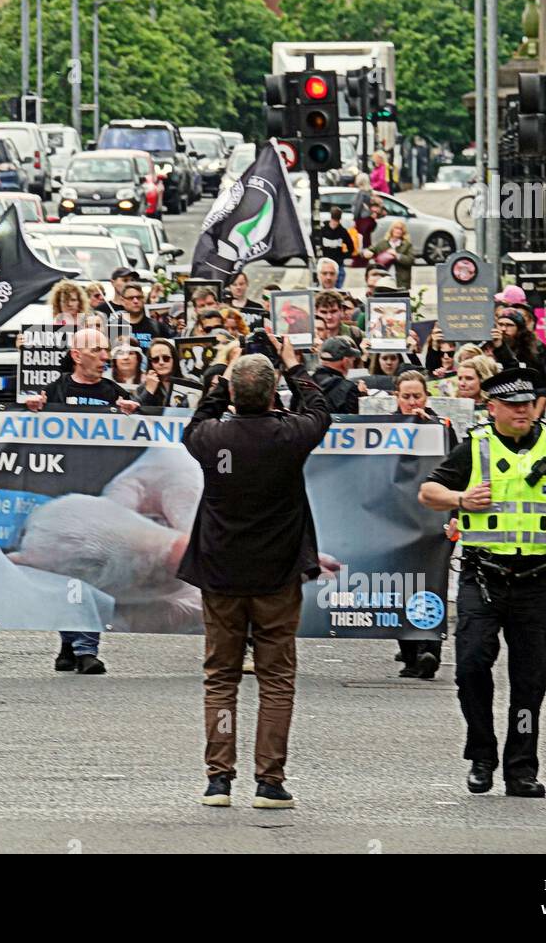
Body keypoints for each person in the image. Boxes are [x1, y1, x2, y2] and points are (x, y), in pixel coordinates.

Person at [419, 365, 546, 797]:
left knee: (530, 679)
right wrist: (460, 498)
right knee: (470, 667)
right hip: (483, 576)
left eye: (528, 403)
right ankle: (482, 753)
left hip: (535, 582)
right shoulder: (476, 447)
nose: (523, 411)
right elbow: (427, 493)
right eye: (513, 404)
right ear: (492, 408)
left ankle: (520, 767)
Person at [179, 338, 332, 808]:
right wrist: (292, 365)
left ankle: (218, 779)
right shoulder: (290, 435)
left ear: (231, 394)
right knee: (276, 678)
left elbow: (197, 420)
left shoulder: (209, 439)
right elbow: (321, 407)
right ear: (272, 396)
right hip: (277, 576)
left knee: (221, 676)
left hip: (221, 572)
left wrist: (222, 374)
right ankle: (269, 780)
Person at [25, 328, 139, 676]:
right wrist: (33, 409)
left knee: (91, 568)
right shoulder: (57, 389)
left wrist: (135, 412)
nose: (106, 356)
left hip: (98, 498)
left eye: (107, 350)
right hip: (62, 494)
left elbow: (144, 429)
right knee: (67, 570)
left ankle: (86, 647)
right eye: (98, 350)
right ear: (77, 355)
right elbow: (24, 428)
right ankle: (69, 640)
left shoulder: (112, 392)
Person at [393, 371, 456, 679]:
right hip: (397, 520)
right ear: (397, 398)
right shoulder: (385, 428)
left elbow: (456, 463)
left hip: (432, 520)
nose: (412, 402)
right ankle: (409, 655)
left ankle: (428, 650)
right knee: (400, 585)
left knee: (431, 582)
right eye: (406, 396)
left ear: (426, 398)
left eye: (417, 396)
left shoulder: (440, 428)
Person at [312, 336, 362, 413]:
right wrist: (361, 394)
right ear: (345, 361)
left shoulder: (305, 382)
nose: (353, 362)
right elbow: (353, 421)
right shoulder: (349, 389)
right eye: (352, 359)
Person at [119, 280, 169, 349]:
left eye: (139, 297)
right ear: (122, 301)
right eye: (131, 298)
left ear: (144, 299)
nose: (136, 301)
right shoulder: (115, 327)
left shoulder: (158, 327)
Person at [370, 220, 416, 291]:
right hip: (384, 281)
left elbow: (410, 260)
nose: (398, 231)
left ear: (403, 232)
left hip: (401, 282)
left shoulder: (407, 245)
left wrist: (396, 255)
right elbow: (371, 250)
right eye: (396, 228)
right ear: (391, 230)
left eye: (401, 229)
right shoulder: (382, 243)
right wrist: (366, 252)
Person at [315, 205, 350, 287]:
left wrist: (343, 256)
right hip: (327, 262)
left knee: (337, 286)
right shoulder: (324, 230)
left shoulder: (342, 231)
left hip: (337, 263)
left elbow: (350, 246)